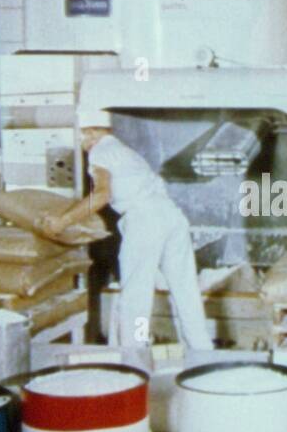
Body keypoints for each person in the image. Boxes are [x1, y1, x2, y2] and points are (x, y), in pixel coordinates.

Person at [38, 109, 213, 353]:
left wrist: (63, 221)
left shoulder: (100, 151)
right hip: (172, 216)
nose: (81, 145)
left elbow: (102, 194)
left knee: (137, 296)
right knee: (186, 290)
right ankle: (202, 352)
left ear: (91, 133)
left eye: (81, 137)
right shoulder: (126, 151)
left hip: (145, 222)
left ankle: (135, 352)